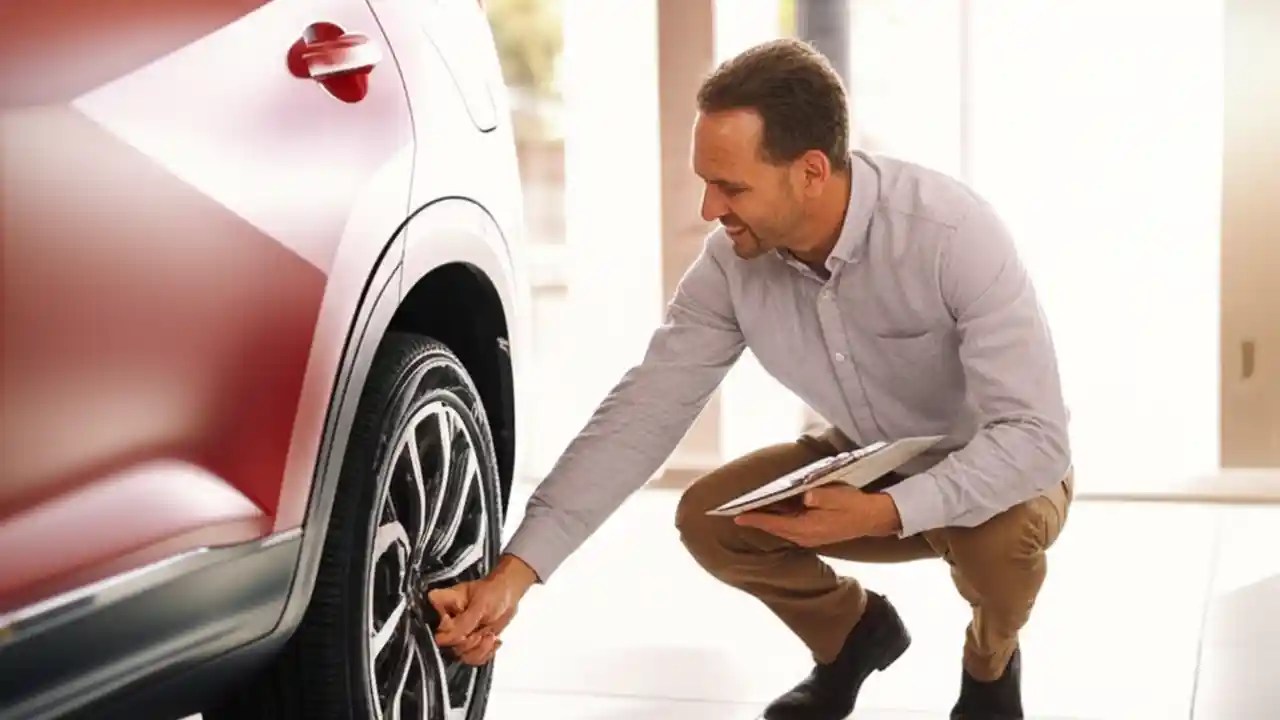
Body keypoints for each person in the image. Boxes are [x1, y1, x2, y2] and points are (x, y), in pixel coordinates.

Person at [427, 38, 1073, 720]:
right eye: (706, 181)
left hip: (997, 473)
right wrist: (514, 574)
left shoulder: (950, 233)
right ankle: (852, 637)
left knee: (999, 546)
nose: (709, 208)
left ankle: (990, 662)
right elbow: (643, 411)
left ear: (811, 172)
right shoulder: (731, 265)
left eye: (731, 186)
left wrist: (887, 512)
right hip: (869, 458)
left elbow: (1035, 439)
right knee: (709, 520)